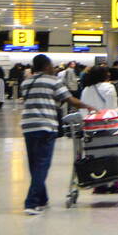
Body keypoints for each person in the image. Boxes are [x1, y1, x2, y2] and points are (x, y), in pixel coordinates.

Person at [20, 54, 94, 214]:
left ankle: (42, 199)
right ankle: (31, 203)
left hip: (28, 127)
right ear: (46, 66)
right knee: (42, 164)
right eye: (51, 65)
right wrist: (88, 106)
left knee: (35, 164)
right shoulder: (53, 81)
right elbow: (70, 100)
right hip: (46, 126)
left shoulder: (26, 82)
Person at [79, 66, 118, 194]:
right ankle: (117, 181)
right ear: (105, 76)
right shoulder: (109, 88)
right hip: (107, 128)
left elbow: (82, 111)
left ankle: (99, 183)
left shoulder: (86, 90)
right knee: (113, 153)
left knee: (96, 154)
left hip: (90, 129)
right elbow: (112, 110)